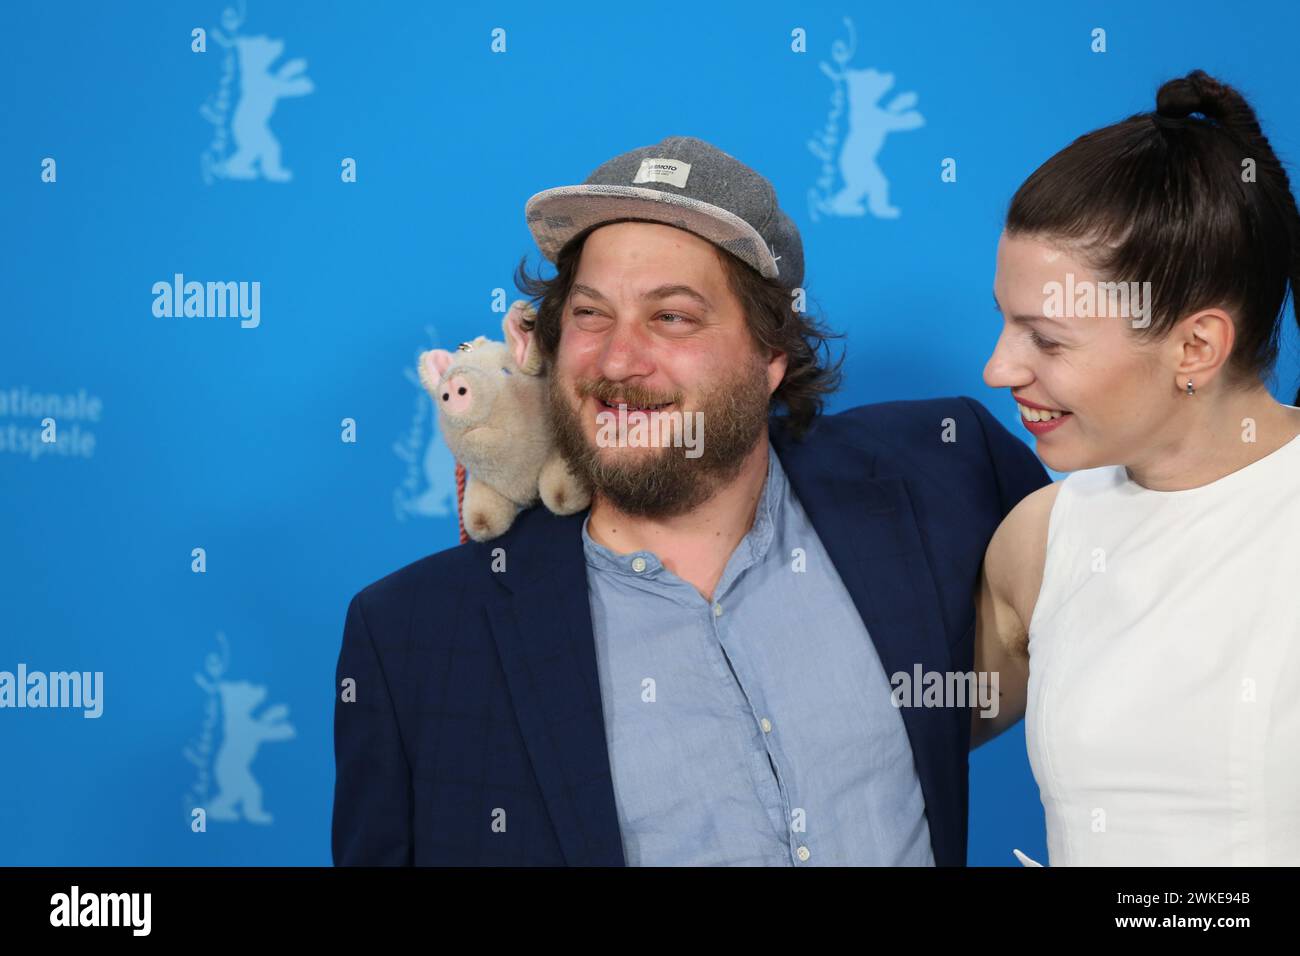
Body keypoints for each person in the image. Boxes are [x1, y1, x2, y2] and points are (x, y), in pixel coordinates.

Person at [333, 135, 1048, 866]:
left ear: (771, 356)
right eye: (589, 314)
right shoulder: (414, 644)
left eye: (671, 316)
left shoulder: (943, 467)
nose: (616, 359)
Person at [974, 71, 1300, 865]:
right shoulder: (1040, 538)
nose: (997, 369)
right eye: (1005, 324)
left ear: (1195, 347)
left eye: (1046, 339)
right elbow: (876, 746)